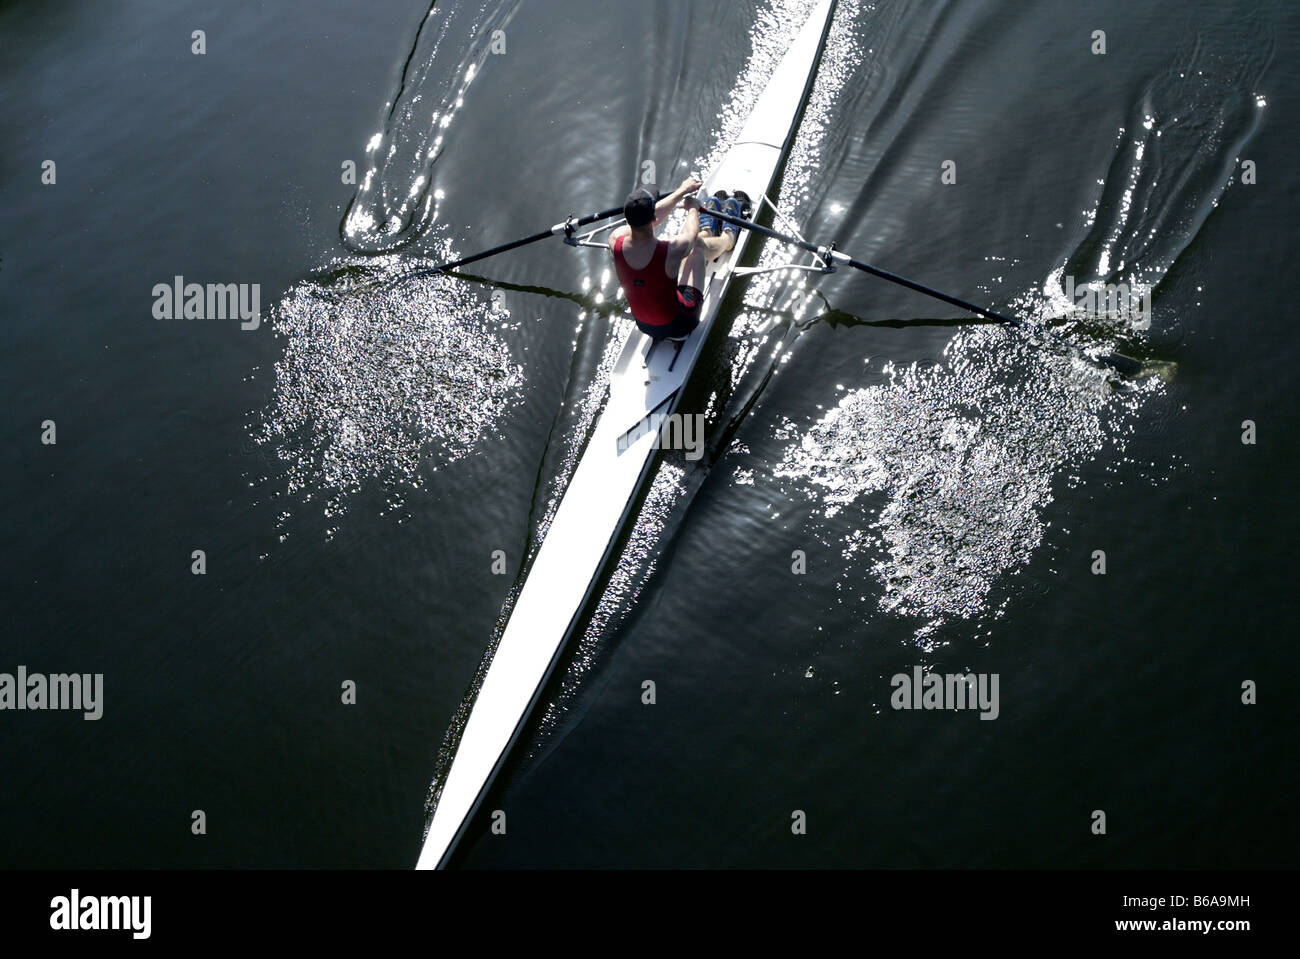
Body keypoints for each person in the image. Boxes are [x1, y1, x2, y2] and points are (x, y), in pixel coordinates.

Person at [609, 177, 750, 341]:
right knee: (697, 244)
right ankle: (728, 238)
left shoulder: (614, 240)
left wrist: (681, 191)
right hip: (682, 323)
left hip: (644, 326)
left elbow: (656, 218)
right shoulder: (671, 250)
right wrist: (693, 209)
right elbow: (690, 235)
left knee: (686, 240)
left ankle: (708, 231)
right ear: (654, 218)